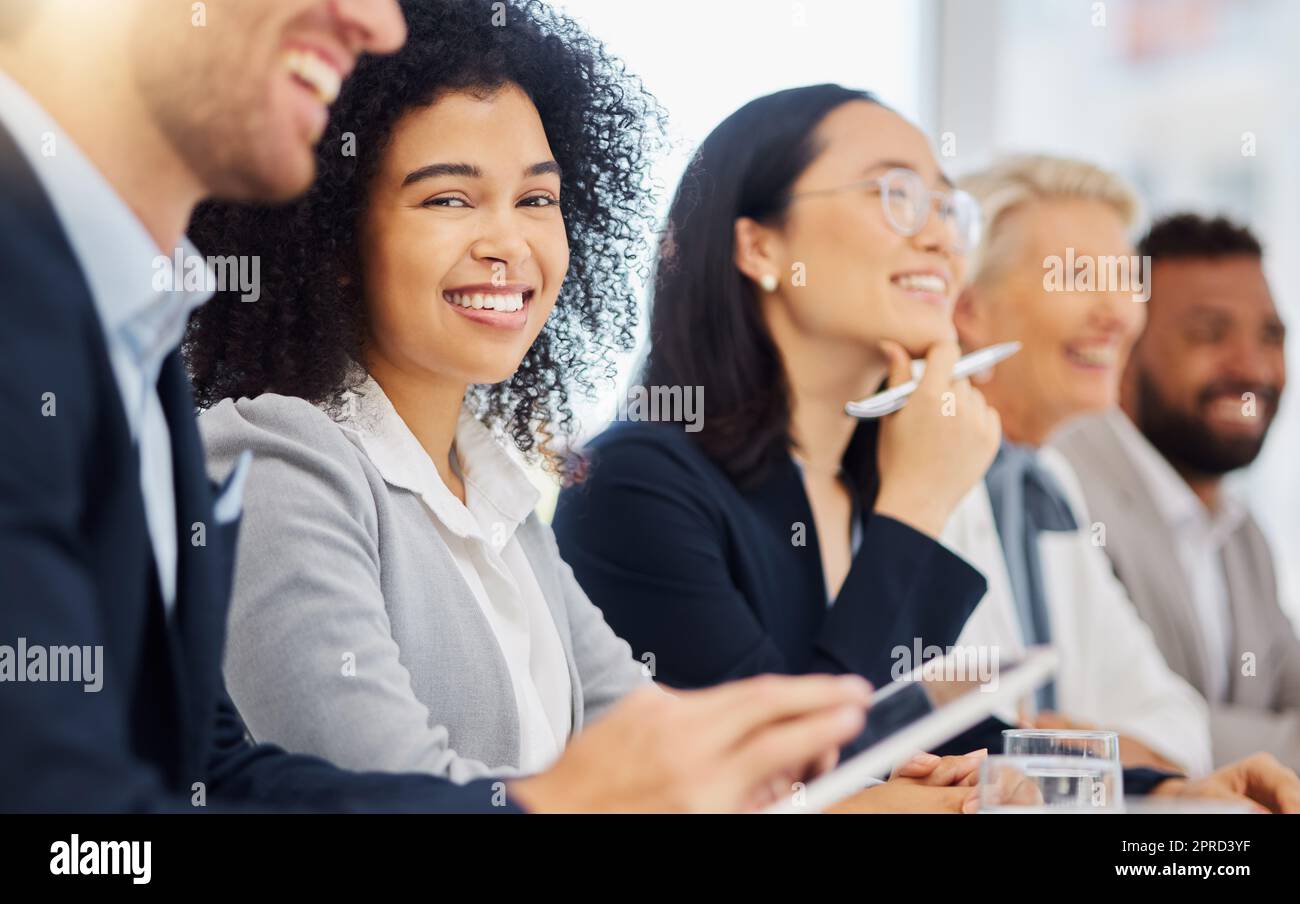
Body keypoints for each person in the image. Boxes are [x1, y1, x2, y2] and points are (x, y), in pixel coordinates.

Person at [0, 0, 872, 814]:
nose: (508, 242)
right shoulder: (276, 451)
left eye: (537, 198)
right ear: (335, 238)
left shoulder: (493, 485)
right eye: (449, 198)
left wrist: (837, 778)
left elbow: (219, 775)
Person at [553, 84, 1000, 723]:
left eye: (947, 207)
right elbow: (796, 772)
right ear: (760, 246)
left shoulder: (867, 474)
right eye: (895, 195)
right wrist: (919, 505)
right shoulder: (632, 487)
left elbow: (915, 736)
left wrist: (1161, 786)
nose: (942, 239)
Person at [943, 155, 1212, 775]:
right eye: (1076, 278)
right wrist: (1106, 751)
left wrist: (1079, 750)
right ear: (969, 307)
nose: (1119, 314)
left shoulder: (1045, 482)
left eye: (1124, 279)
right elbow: (958, 744)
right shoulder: (908, 484)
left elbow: (1182, 729)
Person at [1053, 213, 1300, 771]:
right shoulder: (1067, 493)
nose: (1252, 366)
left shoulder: (1241, 532)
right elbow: (1111, 725)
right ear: (1124, 349)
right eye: (1209, 334)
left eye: (1271, 336)